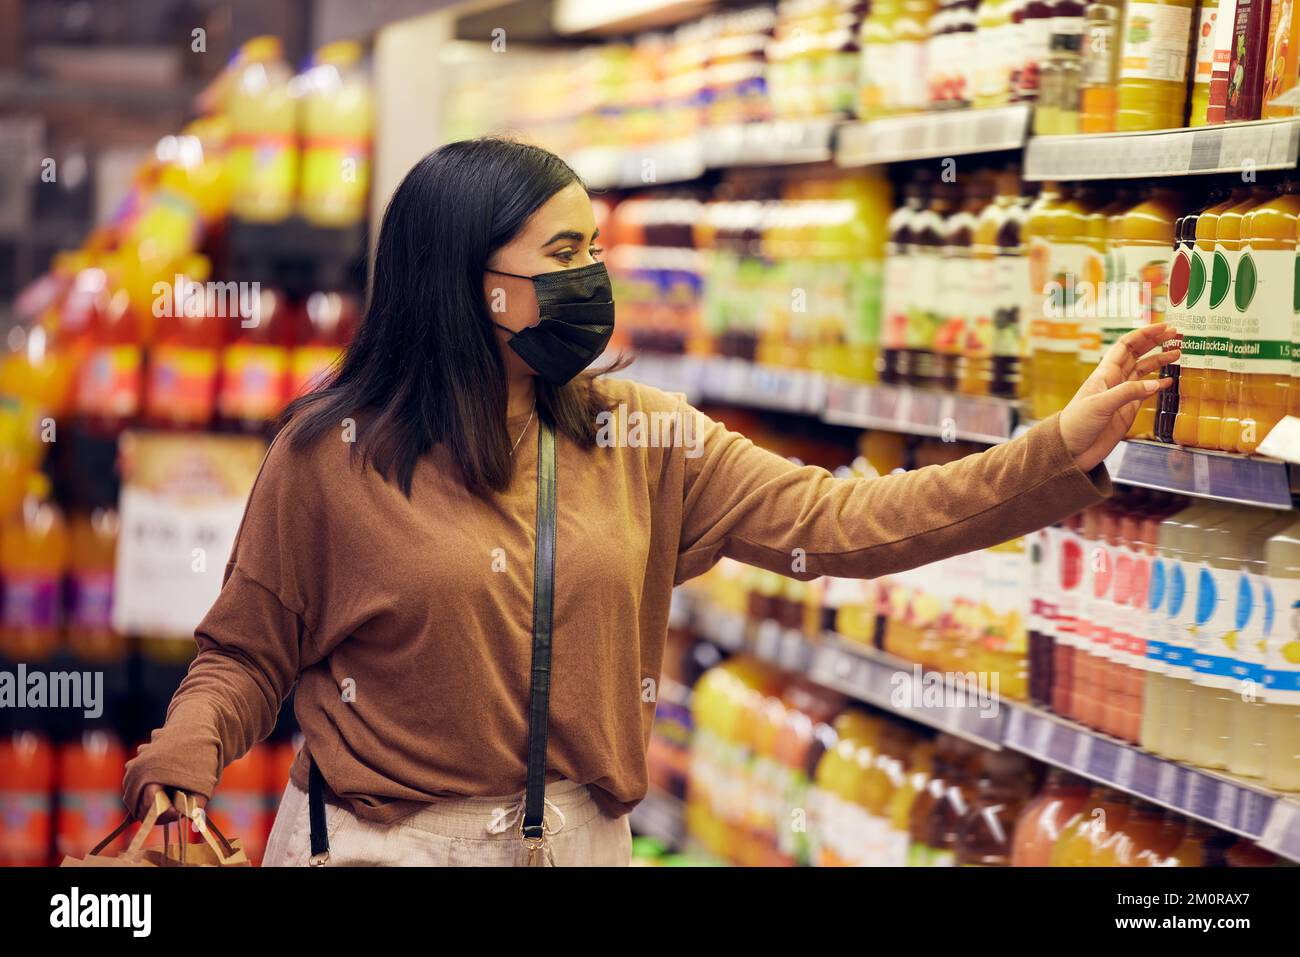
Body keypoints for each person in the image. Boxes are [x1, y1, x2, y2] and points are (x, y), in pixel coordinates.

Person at [122, 137, 1178, 867]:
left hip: (582, 842)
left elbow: (844, 522)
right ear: (466, 281)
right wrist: (180, 764)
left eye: (596, 250)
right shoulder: (330, 455)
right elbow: (248, 653)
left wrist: (1056, 450)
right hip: (388, 844)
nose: (594, 277)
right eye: (564, 255)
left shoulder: (638, 436)